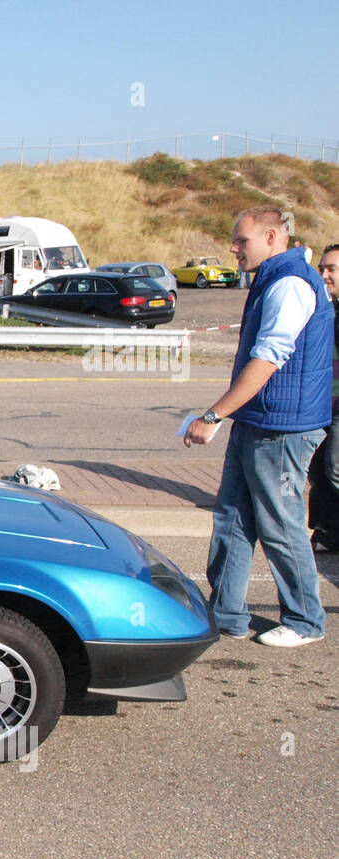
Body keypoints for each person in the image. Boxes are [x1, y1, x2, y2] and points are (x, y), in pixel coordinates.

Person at [184, 207, 334, 647]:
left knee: (280, 524)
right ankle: (226, 613)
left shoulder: (290, 284)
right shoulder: (274, 277)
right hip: (259, 418)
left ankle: (306, 620)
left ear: (271, 237)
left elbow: (268, 359)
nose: (233, 248)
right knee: (232, 517)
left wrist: (213, 415)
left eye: (241, 240)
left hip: (283, 427)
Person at [306, 243, 339, 550]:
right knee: (318, 470)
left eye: (332, 269)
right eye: (323, 268)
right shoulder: (323, 306)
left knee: (334, 467)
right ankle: (327, 530)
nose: (325, 274)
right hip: (321, 404)